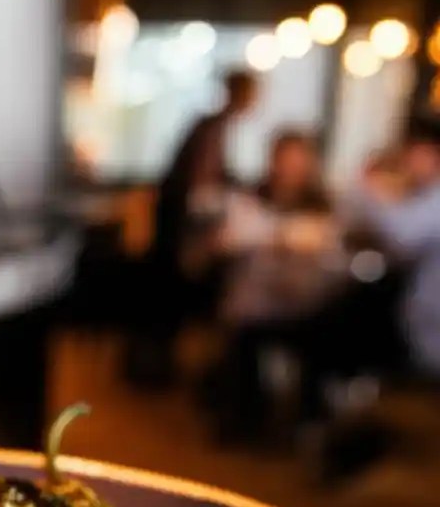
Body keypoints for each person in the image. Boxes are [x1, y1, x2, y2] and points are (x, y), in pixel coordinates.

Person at [126, 71, 260, 388]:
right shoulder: (212, 128)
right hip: (180, 235)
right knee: (169, 307)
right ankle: (155, 374)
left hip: (179, 230)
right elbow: (198, 190)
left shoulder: (213, 126)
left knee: (169, 308)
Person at [212, 130, 337, 443]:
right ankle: (246, 421)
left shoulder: (323, 206)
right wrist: (282, 237)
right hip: (256, 305)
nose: (292, 169)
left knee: (327, 333)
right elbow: (226, 241)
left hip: (305, 304)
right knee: (245, 332)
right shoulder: (250, 200)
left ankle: (307, 424)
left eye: (299, 161)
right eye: (286, 160)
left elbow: (333, 256)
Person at [354, 117, 440, 375]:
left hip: (427, 331)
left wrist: (370, 188)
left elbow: (401, 236)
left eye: (412, 152)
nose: (407, 161)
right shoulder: (423, 195)